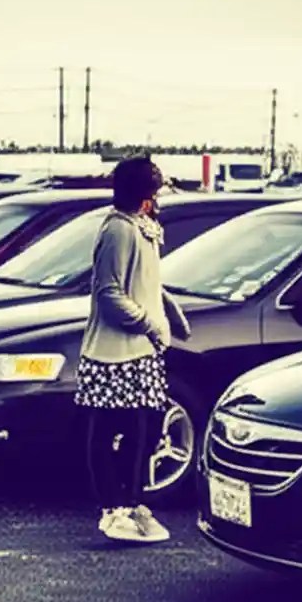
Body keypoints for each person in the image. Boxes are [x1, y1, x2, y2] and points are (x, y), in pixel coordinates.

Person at [75, 155, 190, 544]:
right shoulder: (119, 230)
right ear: (145, 197)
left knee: (147, 429)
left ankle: (133, 502)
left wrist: (172, 315)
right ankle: (113, 509)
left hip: (142, 353)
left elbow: (148, 282)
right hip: (114, 354)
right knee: (107, 430)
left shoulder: (144, 229)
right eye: (156, 193)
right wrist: (150, 325)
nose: (158, 200)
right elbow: (108, 293)